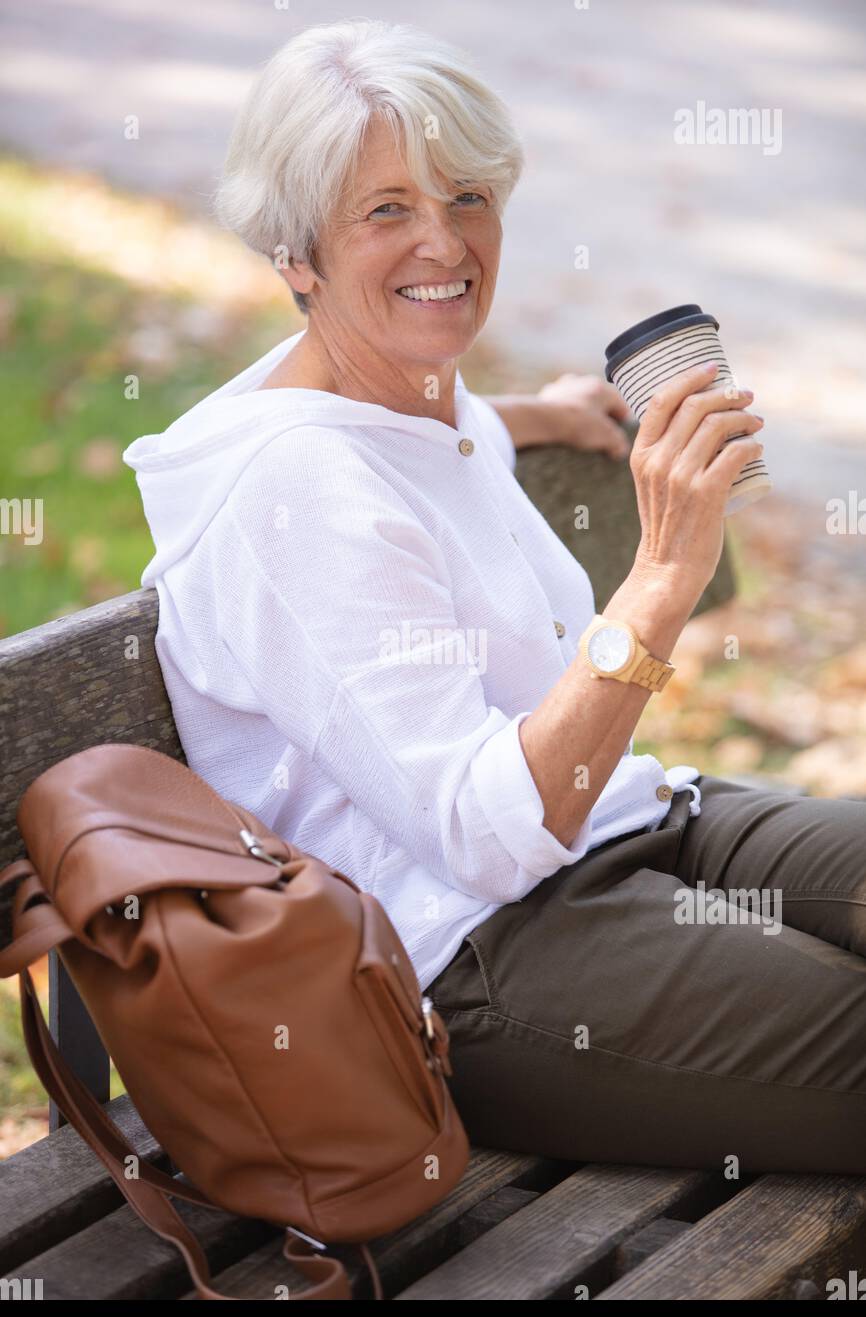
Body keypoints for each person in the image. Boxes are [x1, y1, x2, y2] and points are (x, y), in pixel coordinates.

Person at [123, 19, 866, 1176]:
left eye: (466, 195)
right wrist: (662, 579)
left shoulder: (407, 391)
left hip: (625, 824)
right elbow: (484, 836)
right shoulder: (291, 492)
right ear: (293, 255)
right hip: (475, 955)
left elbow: (409, 436)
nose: (445, 241)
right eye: (386, 211)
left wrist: (532, 413)